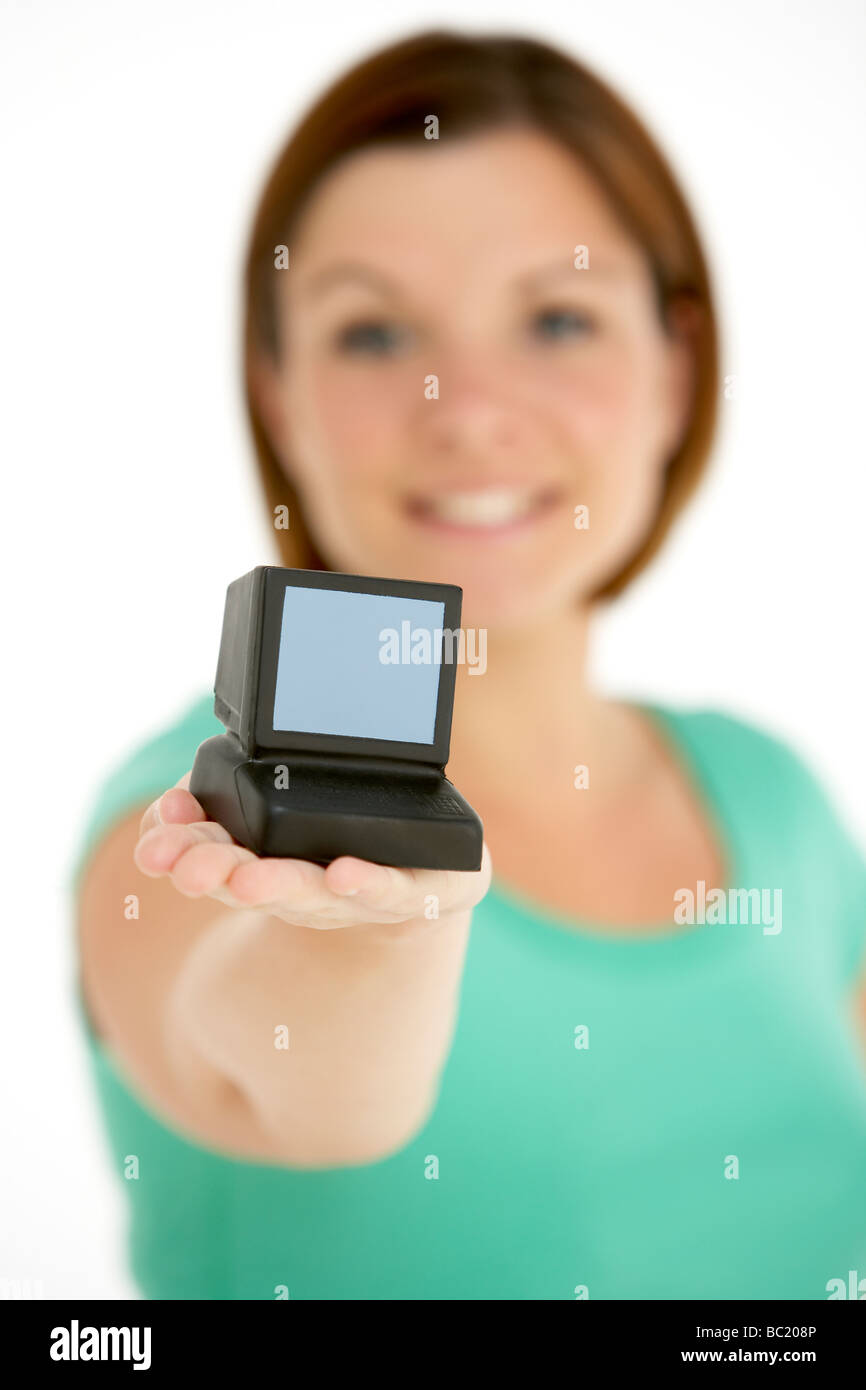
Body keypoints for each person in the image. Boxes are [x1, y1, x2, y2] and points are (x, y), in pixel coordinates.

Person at [73, 28, 866, 1300]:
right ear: (278, 393)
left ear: (673, 368)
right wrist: (368, 932)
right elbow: (310, 1094)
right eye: (374, 334)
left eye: (557, 316)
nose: (466, 406)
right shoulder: (188, 818)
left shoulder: (773, 798)